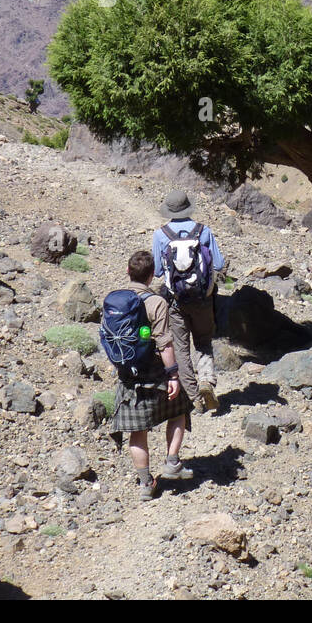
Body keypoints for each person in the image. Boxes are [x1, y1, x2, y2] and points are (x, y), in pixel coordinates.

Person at [106, 250, 193, 501]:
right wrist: (173, 375)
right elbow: (165, 343)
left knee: (137, 431)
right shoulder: (157, 303)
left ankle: (146, 483)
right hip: (155, 373)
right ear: (152, 274)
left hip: (128, 376)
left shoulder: (113, 301)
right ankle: (172, 461)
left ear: (127, 271)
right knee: (179, 411)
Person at [152, 189, 225, 414]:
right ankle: (206, 381)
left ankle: (193, 399)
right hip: (203, 299)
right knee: (203, 341)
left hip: (176, 302)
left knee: (181, 348)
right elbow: (219, 265)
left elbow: (156, 271)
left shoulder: (161, 234)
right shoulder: (204, 231)